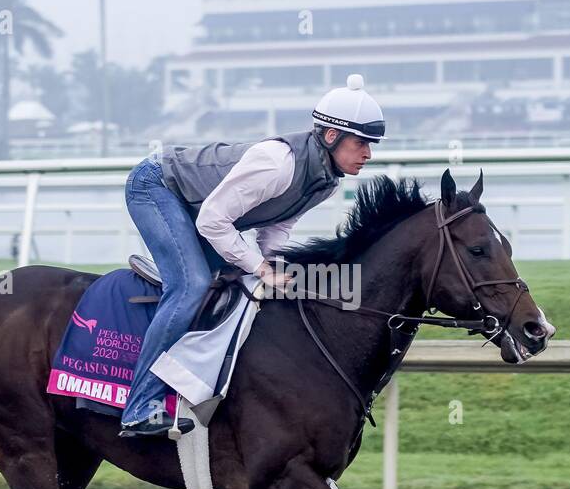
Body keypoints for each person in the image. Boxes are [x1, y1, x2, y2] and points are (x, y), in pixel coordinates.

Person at [118, 73, 385, 437]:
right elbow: (214, 220)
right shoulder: (279, 164)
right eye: (362, 143)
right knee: (192, 286)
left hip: (197, 208)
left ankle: (192, 388)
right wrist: (259, 265)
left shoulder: (325, 180)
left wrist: (273, 268)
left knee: (241, 284)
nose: (368, 154)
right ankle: (139, 407)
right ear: (331, 136)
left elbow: (276, 229)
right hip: (155, 186)